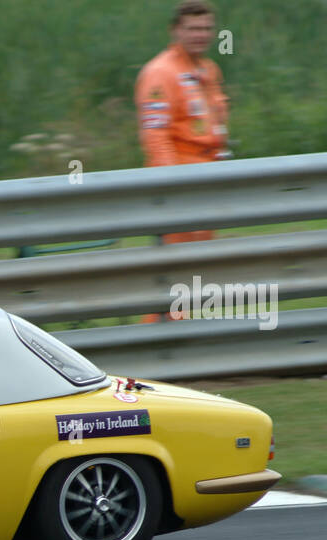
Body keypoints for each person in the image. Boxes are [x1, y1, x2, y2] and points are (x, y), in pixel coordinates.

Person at [135, 0, 230, 321]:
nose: (200, 35)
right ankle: (161, 344)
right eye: (192, 28)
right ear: (175, 31)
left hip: (207, 183)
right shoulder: (160, 73)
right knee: (173, 271)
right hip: (179, 185)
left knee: (198, 272)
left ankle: (190, 340)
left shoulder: (207, 70)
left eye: (205, 28)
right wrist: (171, 187)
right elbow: (155, 136)